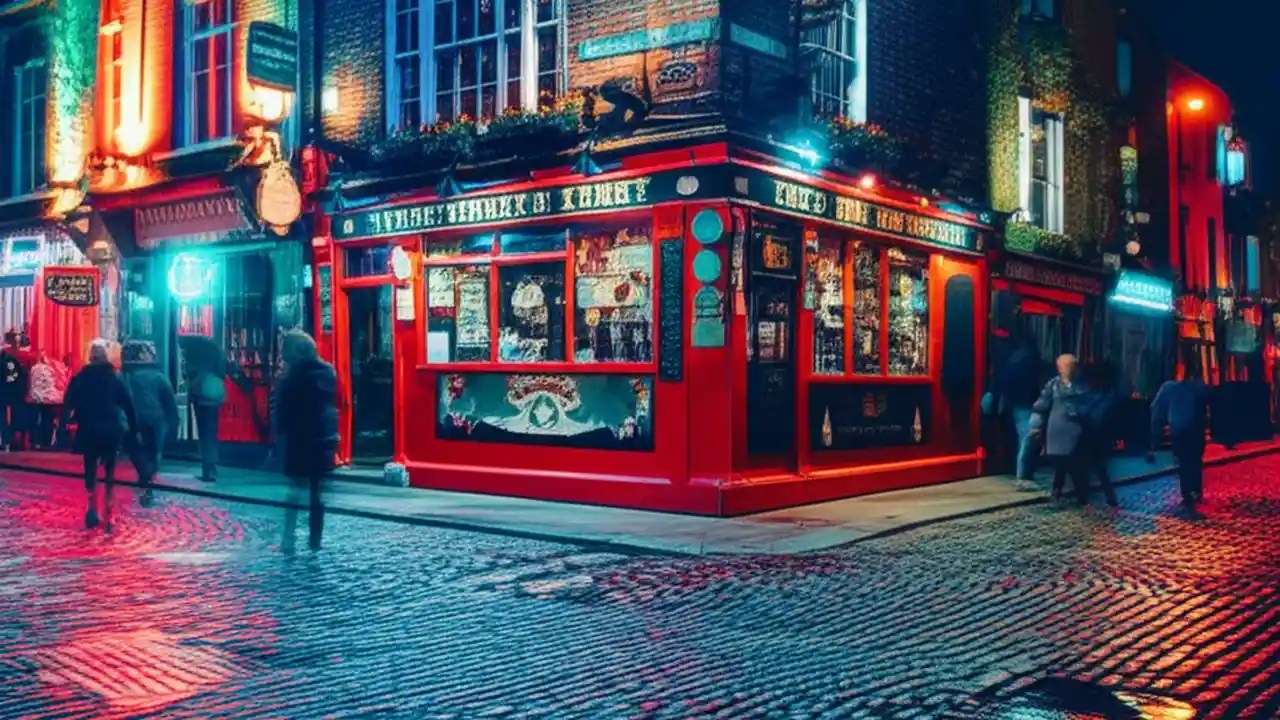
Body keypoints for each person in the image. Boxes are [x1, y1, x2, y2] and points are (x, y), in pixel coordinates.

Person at [64, 339, 138, 530]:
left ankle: (91, 506)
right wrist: (133, 427)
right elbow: (128, 403)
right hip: (111, 428)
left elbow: (68, 401)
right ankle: (109, 506)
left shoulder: (81, 377)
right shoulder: (114, 377)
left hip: (88, 427)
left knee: (90, 465)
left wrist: (66, 422)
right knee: (110, 467)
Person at [276, 330, 339, 550]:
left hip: (300, 439)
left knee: (294, 491)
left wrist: (278, 442)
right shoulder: (327, 373)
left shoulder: (290, 379)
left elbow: (283, 414)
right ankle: (315, 540)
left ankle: (288, 538)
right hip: (323, 439)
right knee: (316, 495)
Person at [1150, 354, 1211, 510]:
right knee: (1193, 460)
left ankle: (1189, 493)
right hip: (1192, 429)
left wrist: (1156, 432)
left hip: (1182, 429)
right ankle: (1193, 491)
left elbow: (1156, 408)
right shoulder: (1196, 387)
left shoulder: (1171, 388)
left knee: (1186, 461)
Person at [121, 340, 178, 505]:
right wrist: (173, 423)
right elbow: (169, 403)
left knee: (135, 449)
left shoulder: (125, 377)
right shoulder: (159, 378)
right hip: (155, 418)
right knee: (153, 450)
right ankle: (148, 476)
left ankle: (144, 474)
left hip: (133, 417)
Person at [1030, 353, 1087, 504]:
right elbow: (1041, 405)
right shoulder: (1053, 385)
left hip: (1076, 431)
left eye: (1070, 366)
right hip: (1058, 429)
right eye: (1064, 366)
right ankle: (1057, 492)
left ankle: (1081, 496)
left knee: (1075, 464)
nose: (1066, 369)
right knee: (1061, 464)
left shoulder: (1082, 384)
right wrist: (1036, 426)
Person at [996, 331, 1042, 484]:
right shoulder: (1029, 361)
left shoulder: (1012, 360)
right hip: (1026, 403)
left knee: (1023, 439)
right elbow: (1033, 385)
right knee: (1027, 440)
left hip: (1015, 403)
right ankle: (1022, 475)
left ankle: (1021, 473)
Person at [181, 335, 226, 483]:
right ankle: (212, 466)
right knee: (212, 432)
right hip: (215, 395)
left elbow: (188, 374)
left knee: (204, 433)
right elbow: (222, 371)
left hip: (201, 396)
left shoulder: (193, 355)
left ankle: (207, 468)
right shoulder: (215, 351)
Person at [1074, 363, 1119, 507]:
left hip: (1093, 436)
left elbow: (1096, 416)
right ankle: (1099, 497)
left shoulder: (1099, 397)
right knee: (1097, 469)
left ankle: (1085, 497)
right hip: (1096, 437)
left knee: (1095, 468)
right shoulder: (1104, 396)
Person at [26, 353, 64, 449]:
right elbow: (57, 383)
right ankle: (46, 442)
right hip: (48, 399)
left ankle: (35, 442)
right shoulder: (51, 369)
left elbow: (31, 382)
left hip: (35, 398)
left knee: (36, 420)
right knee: (47, 420)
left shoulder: (34, 368)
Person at [1, 331, 30, 451]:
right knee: (11, 418)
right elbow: (13, 377)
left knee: (4, 418)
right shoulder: (11, 358)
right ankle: (9, 441)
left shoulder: (6, 357)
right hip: (12, 393)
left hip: (5, 392)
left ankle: (7, 441)